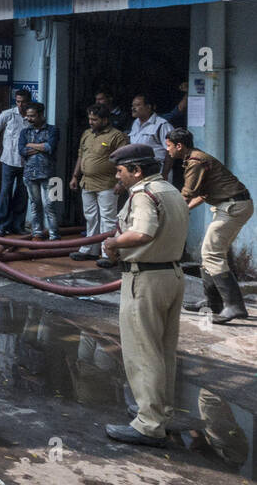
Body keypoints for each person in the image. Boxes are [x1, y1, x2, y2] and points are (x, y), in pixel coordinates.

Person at [102, 143, 189, 447]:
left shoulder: (142, 194)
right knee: (163, 351)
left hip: (146, 278)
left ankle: (149, 424)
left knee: (143, 351)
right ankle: (158, 412)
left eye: (121, 170)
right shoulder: (170, 190)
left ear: (137, 170)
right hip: (173, 275)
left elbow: (143, 233)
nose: (118, 175)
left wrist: (113, 244)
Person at [166, 129, 251, 323]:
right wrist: (184, 209)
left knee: (212, 253)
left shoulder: (195, 161)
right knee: (210, 253)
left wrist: (169, 213)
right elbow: (202, 195)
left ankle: (235, 306)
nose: (167, 150)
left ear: (179, 146)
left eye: (169, 146)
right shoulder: (195, 158)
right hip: (231, 205)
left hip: (233, 206)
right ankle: (213, 302)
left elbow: (187, 194)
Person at [69, 104, 129, 262]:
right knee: (90, 217)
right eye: (89, 118)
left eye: (94, 119)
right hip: (87, 182)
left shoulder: (117, 136)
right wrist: (75, 176)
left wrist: (121, 182)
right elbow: (81, 156)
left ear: (105, 120)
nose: (90, 122)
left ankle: (107, 253)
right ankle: (90, 249)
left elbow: (124, 161)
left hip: (107, 183)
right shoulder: (87, 134)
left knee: (108, 219)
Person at [0, 88, 32, 236]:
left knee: (22, 193)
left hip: (26, 161)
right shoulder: (8, 114)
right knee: (5, 192)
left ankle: (17, 225)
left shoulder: (31, 117)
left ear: (29, 102)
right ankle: (0, 225)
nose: (20, 105)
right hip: (8, 159)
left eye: (23, 102)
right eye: (18, 101)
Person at [18, 101, 60, 241]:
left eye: (32, 116)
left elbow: (50, 147)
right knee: (35, 205)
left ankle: (54, 235)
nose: (29, 119)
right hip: (29, 174)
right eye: (27, 116)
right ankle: (37, 233)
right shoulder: (25, 132)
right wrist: (40, 147)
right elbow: (22, 150)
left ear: (41, 115)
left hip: (50, 174)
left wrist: (31, 145)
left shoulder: (53, 130)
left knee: (50, 206)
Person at [129, 94, 175, 182]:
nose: (133, 108)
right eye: (133, 105)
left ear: (148, 107)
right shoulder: (135, 123)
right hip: (139, 171)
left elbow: (170, 151)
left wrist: (164, 174)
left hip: (157, 172)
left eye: (138, 105)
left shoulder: (161, 125)